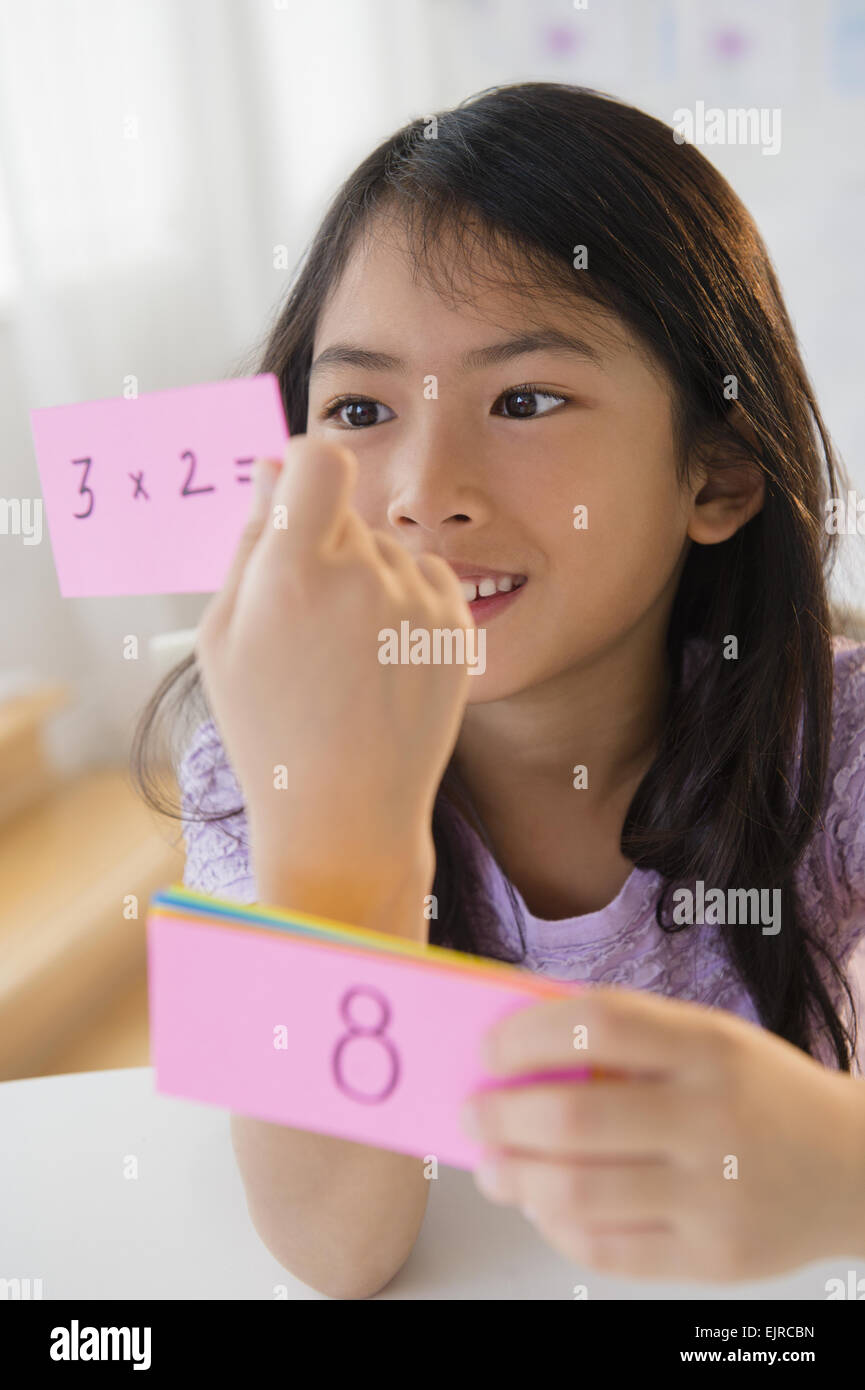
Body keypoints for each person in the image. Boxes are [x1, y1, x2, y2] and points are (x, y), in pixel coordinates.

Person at [132, 83, 865, 1298]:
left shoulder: (833, 750)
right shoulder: (256, 760)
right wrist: (337, 823)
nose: (423, 488)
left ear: (720, 471)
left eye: (524, 400)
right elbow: (332, 1246)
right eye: (359, 408)